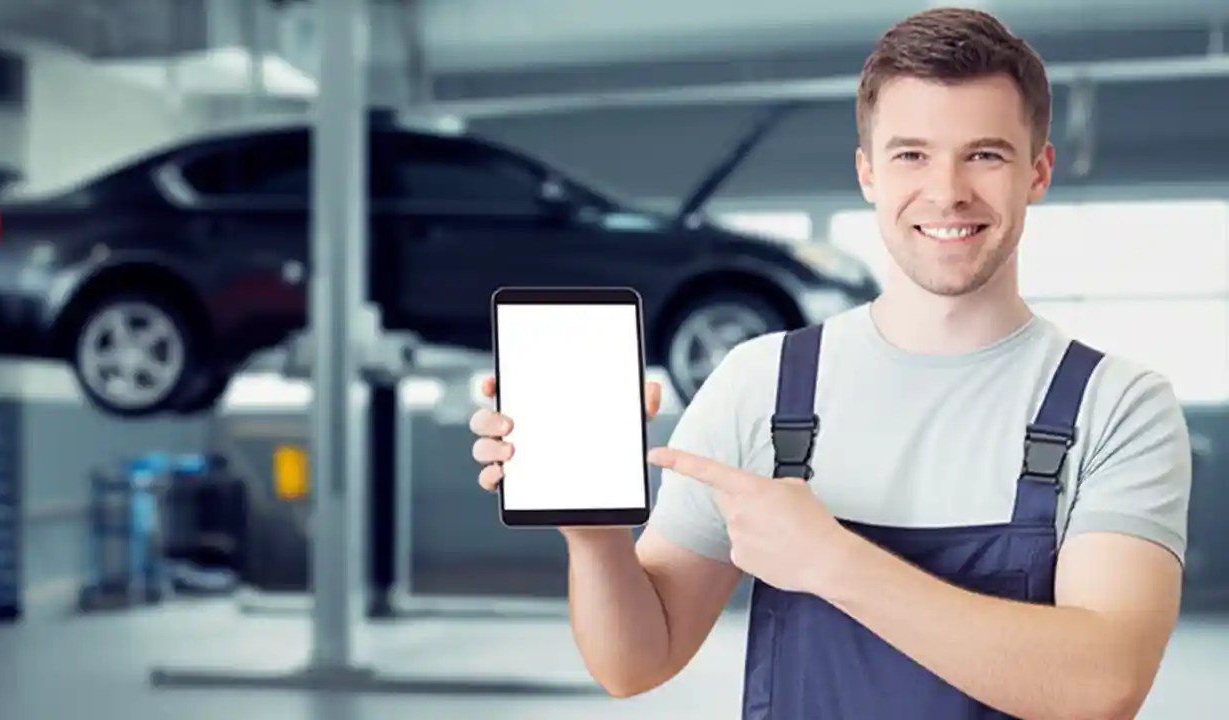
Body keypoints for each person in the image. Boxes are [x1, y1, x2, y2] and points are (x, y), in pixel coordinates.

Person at [469, 7, 1192, 719]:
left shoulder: (1117, 406)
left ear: (1038, 171)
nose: (947, 191)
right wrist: (594, 534)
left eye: (985, 154)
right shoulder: (761, 386)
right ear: (867, 173)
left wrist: (830, 560)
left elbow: (1101, 686)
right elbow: (635, 661)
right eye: (912, 154)